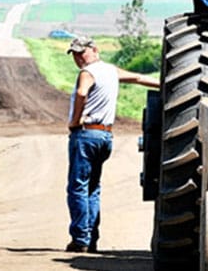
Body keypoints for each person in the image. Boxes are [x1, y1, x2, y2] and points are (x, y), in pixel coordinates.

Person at [64, 36, 159, 253]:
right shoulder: (110, 71)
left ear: (94, 50)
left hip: (86, 134)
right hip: (105, 136)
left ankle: (80, 238)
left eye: (81, 52)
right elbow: (137, 78)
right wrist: (166, 84)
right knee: (93, 188)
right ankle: (91, 237)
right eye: (75, 54)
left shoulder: (87, 73)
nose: (78, 58)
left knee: (77, 187)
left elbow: (81, 93)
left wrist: (75, 120)